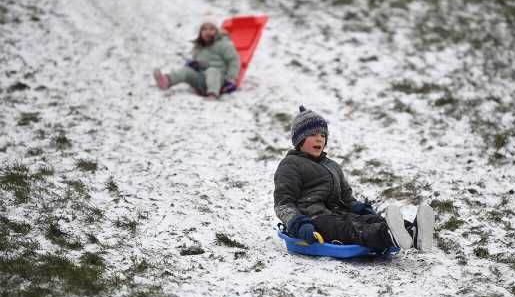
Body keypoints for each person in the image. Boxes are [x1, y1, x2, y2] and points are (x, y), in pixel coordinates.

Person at [273, 105, 435, 251]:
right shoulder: (291, 164)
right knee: (351, 228)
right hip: (315, 220)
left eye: (323, 135)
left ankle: (413, 233)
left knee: (371, 219)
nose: (319, 138)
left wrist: (359, 208)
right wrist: (299, 224)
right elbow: (283, 203)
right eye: (313, 134)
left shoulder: (332, 166)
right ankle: (388, 235)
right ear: (300, 140)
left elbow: (346, 197)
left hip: (339, 212)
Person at [153, 19, 240, 99]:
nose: (207, 32)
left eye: (211, 29)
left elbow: (234, 61)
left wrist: (231, 79)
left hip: (219, 81)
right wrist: (195, 64)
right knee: (186, 70)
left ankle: (212, 95)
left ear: (217, 31)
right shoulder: (198, 47)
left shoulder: (224, 44)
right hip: (202, 79)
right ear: (200, 32)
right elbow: (199, 62)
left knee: (212, 70)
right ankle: (166, 81)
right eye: (204, 29)